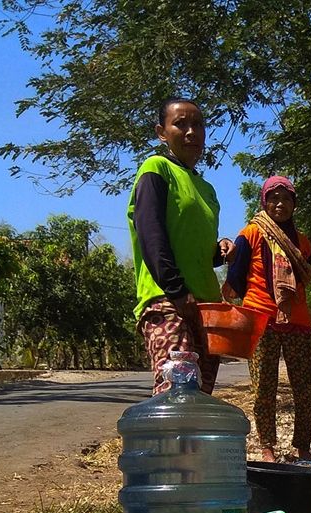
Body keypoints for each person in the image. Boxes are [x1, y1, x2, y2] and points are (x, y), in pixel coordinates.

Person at [128, 97, 234, 394]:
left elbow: (194, 246)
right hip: (168, 301)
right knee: (176, 397)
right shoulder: (155, 169)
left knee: (199, 400)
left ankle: (191, 446)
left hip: (206, 308)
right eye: (180, 124)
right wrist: (176, 291)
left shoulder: (207, 189)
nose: (191, 132)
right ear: (162, 132)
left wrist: (220, 250)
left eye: (197, 125)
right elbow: (151, 232)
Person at [224, 176, 311, 462]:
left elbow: (304, 279)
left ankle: (302, 447)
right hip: (261, 319)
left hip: (298, 321)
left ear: (294, 204)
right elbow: (237, 277)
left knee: (304, 388)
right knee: (264, 388)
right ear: (264, 201)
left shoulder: (303, 243)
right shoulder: (250, 234)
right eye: (274, 198)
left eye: (286, 198)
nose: (280, 203)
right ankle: (268, 448)